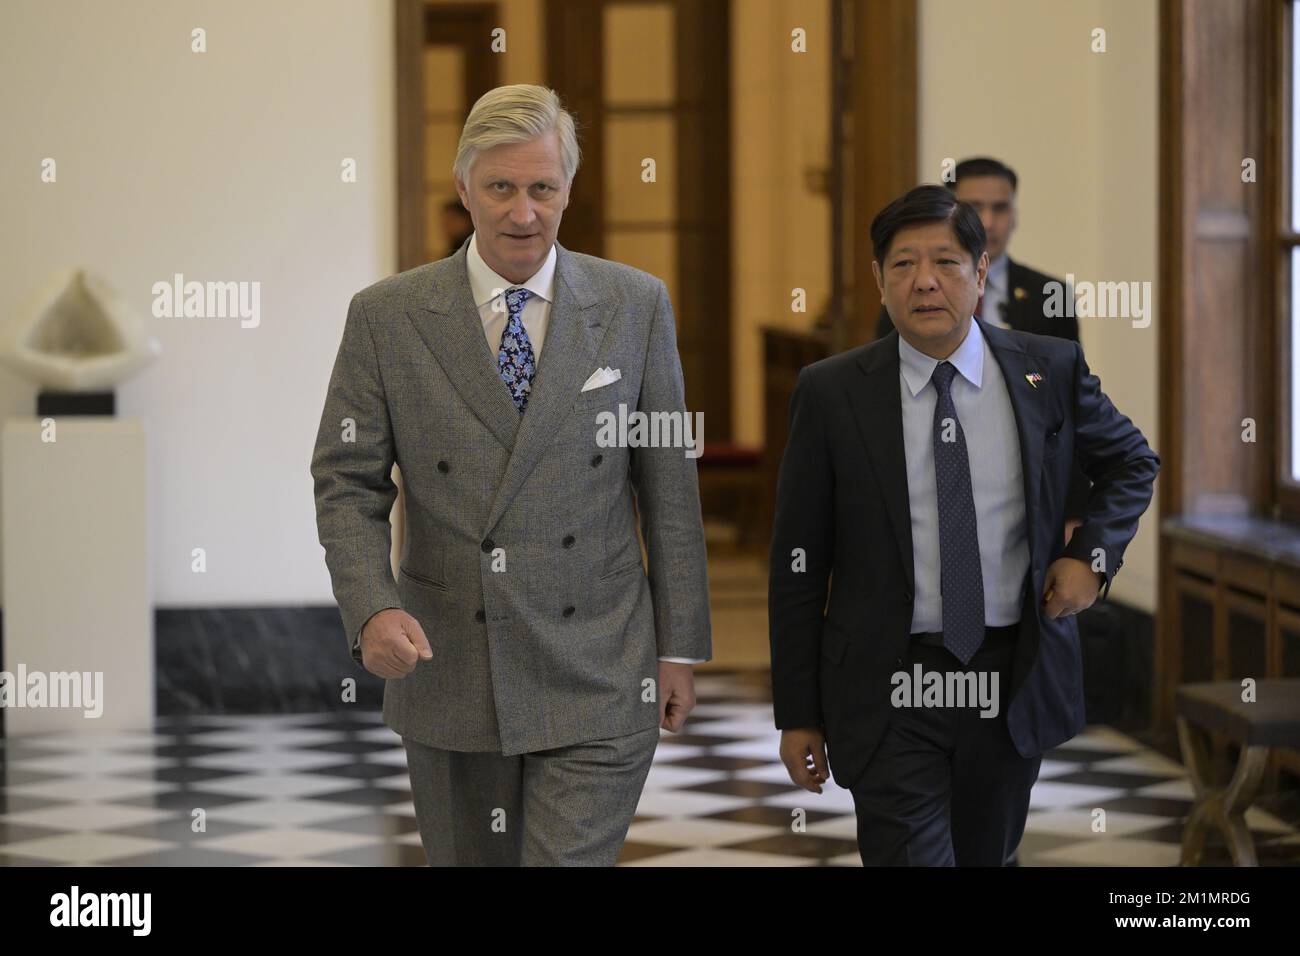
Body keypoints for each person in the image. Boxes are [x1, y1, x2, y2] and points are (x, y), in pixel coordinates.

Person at [311, 84, 711, 866]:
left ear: (568, 189)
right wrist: (369, 608)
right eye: (500, 188)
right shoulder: (387, 317)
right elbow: (346, 479)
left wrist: (681, 648)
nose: (522, 213)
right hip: (452, 663)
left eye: (542, 188)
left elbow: (668, 486)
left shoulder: (635, 306)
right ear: (464, 190)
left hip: (599, 663)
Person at [769, 184, 1158, 866]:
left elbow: (1132, 459)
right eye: (903, 265)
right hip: (889, 684)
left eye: (946, 262)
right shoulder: (834, 392)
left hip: (1009, 677)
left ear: (981, 273)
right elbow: (798, 561)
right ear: (879, 281)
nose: (925, 282)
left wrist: (1092, 557)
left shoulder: (1048, 370)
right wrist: (798, 710)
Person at [877, 158, 1088, 531]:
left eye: (1001, 208)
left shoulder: (1049, 296)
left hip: (1027, 497)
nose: (989, 222)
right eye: (976, 208)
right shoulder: (910, 298)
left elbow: (1067, 415)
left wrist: (1074, 516)